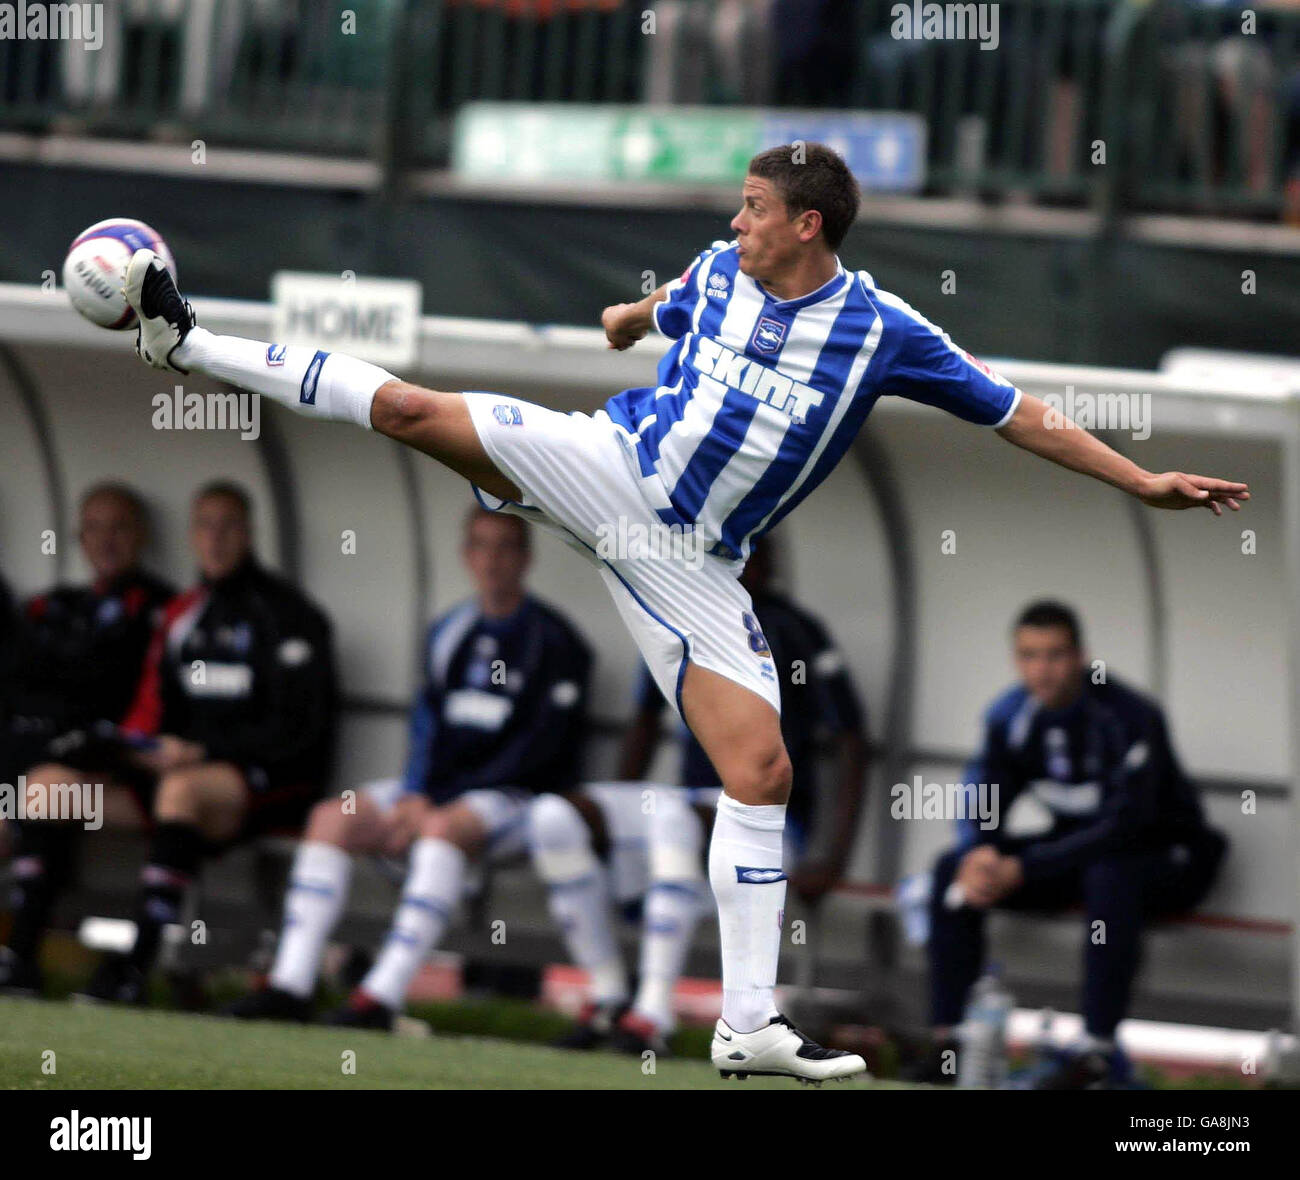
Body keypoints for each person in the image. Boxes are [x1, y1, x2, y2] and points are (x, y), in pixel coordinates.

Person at [118, 140, 1248, 1082]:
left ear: (809, 226)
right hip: (602, 466)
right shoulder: (720, 266)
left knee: (758, 770)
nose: (737, 222)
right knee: (412, 406)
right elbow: (673, 300)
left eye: (755, 209)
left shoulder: (885, 331)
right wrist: (627, 319)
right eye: (740, 207)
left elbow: (1022, 414)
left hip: (696, 562)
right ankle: (190, 341)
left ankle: (744, 1020)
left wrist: (1141, 480)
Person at [226, 507, 592, 1028]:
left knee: (443, 828)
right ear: (466, 555)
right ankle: (291, 984)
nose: (493, 559)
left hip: (516, 797)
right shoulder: (449, 628)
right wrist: (417, 791)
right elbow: (425, 723)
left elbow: (539, 749)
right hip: (439, 791)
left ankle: (380, 997)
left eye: (506, 546)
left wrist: (439, 799)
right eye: (481, 545)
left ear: (526, 559)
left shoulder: (557, 641)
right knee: (333, 817)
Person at [544, 532, 866, 1053]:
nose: (740, 556)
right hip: (688, 806)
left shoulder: (795, 630)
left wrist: (834, 854)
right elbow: (645, 720)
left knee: (671, 815)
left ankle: (652, 1019)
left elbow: (852, 740)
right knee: (553, 818)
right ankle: (609, 1001)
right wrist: (622, 834)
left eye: (751, 545)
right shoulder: (677, 613)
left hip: (769, 825)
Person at [908, 601, 1228, 1089]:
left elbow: (1124, 826)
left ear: (1081, 656)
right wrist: (982, 854)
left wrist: (1027, 866)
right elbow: (986, 793)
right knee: (952, 867)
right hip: (1079, 857)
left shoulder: (1129, 715)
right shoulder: (1011, 714)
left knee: (1110, 876)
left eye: (1055, 655)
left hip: (1170, 855)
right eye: (1029, 655)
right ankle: (952, 1044)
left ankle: (1096, 1054)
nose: (1042, 669)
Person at [73, 482, 337, 1004]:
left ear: (249, 532)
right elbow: (151, 711)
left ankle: (136, 966)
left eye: (228, 525)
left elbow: (297, 732)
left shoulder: (288, 614)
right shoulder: (181, 615)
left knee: (181, 792)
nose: (215, 539)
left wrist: (205, 752)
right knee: (47, 792)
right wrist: (134, 749)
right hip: (178, 778)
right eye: (205, 526)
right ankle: (21, 958)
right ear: (191, 535)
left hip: (264, 783)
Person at [0, 484, 174, 996]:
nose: (107, 539)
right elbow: (21, 693)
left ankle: (23, 955)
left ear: (141, 535)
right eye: (95, 527)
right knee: (35, 790)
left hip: (114, 777)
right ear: (78, 536)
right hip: (38, 767)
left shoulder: (161, 610)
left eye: (119, 526)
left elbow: (122, 705)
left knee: (42, 794)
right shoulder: (51, 608)